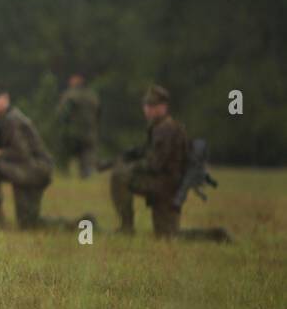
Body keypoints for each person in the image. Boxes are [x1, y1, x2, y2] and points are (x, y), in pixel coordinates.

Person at [109, 84, 230, 241]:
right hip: (170, 187)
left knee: (119, 175)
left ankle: (126, 228)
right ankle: (216, 235)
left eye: (152, 106)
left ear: (163, 107)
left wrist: (132, 165)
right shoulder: (163, 126)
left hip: (163, 186)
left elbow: (155, 164)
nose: (147, 109)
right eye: (146, 105)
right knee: (168, 236)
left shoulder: (165, 129)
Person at [0, 86, 56, 229]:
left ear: (6, 99)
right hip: (29, 169)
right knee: (29, 224)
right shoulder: (0, 120)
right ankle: (80, 223)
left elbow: (21, 154)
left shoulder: (13, 120)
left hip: (34, 169)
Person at [56, 72, 101, 178]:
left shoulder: (70, 95)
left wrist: (63, 127)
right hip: (90, 131)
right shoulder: (92, 95)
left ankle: (64, 174)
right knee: (86, 155)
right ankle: (86, 175)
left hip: (73, 132)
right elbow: (98, 112)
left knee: (64, 152)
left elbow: (62, 113)